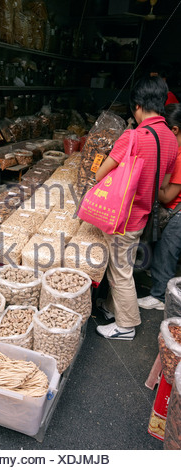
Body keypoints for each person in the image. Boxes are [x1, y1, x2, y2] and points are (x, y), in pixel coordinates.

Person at [94, 76, 178, 341]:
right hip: (143, 213)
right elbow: (162, 182)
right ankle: (110, 307)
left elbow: (99, 175)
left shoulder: (133, 137)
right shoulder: (170, 138)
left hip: (122, 215)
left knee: (121, 271)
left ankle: (126, 326)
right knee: (121, 264)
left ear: (138, 105)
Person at [138, 103, 181, 310]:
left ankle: (159, 298)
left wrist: (148, 184)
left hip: (177, 214)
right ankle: (158, 286)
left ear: (174, 130)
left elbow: (167, 195)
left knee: (166, 253)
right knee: (163, 251)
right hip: (174, 211)